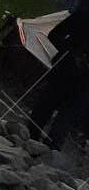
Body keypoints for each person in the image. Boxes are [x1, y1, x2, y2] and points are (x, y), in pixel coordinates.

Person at [30, 8, 89, 147]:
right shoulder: (83, 15)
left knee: (66, 118)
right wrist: (71, 53)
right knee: (45, 107)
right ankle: (30, 138)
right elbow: (55, 35)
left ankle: (51, 150)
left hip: (84, 82)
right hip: (64, 70)